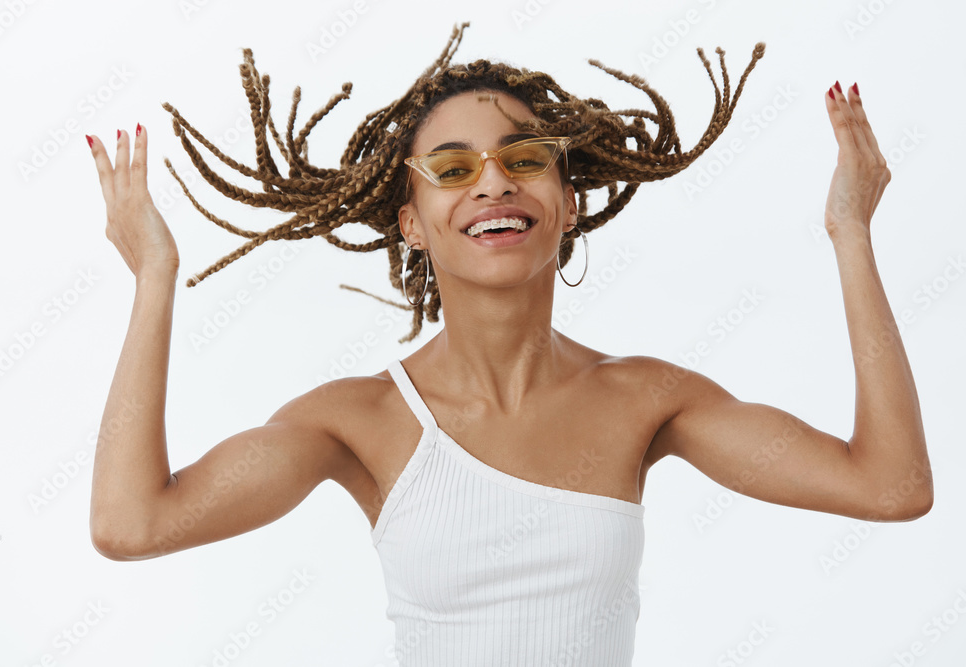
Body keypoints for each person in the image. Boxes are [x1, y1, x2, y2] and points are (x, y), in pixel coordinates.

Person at [86, 23, 932, 666]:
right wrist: (154, 278)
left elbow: (890, 485)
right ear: (412, 223)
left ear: (567, 203)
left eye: (524, 158)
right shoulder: (360, 421)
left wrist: (851, 234)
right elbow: (131, 522)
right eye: (453, 169)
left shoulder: (645, 400)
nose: (493, 181)